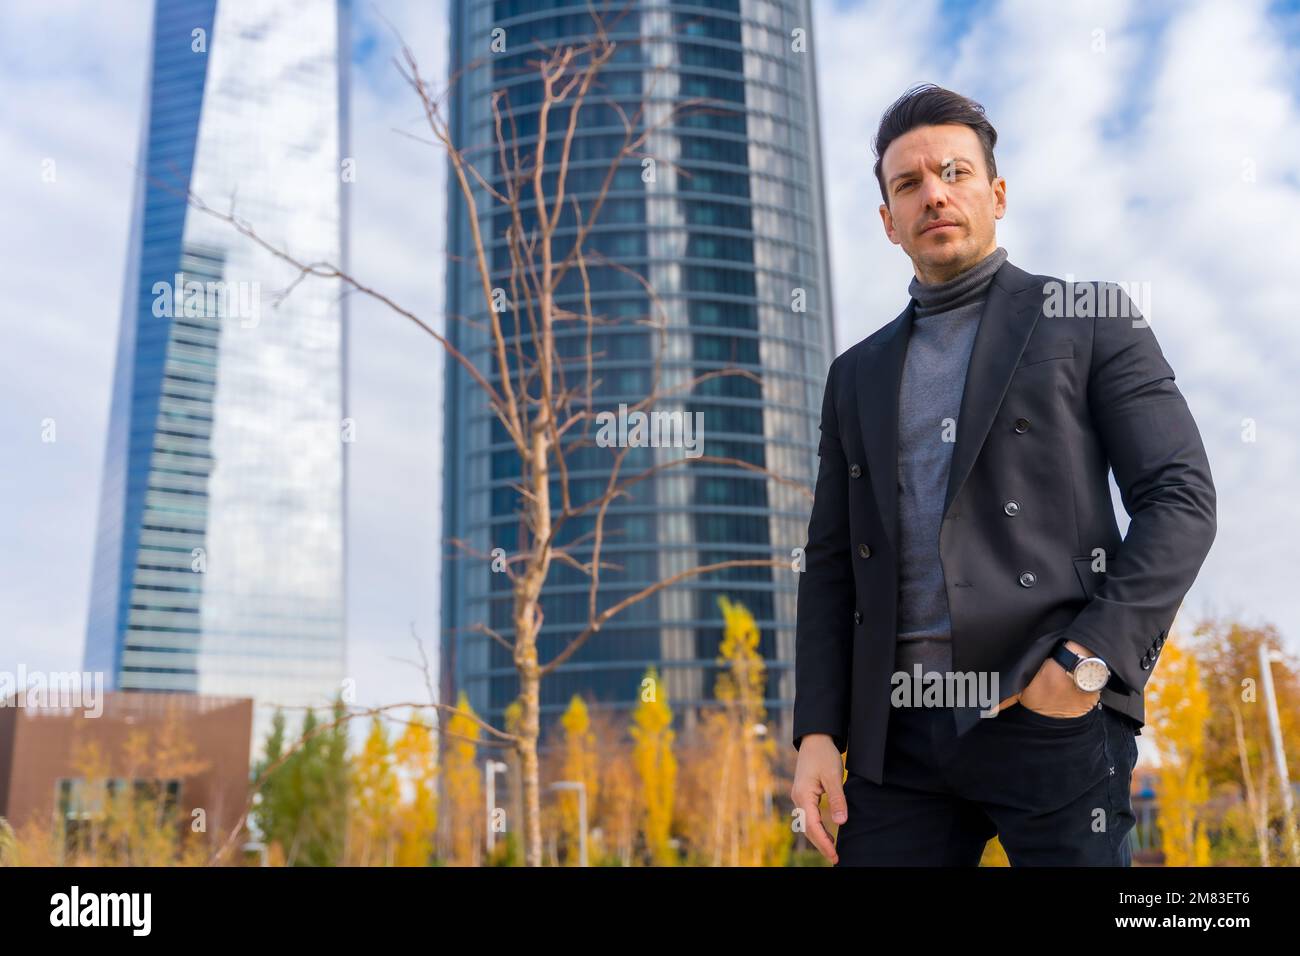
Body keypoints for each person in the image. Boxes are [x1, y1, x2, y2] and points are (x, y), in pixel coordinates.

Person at [789, 84, 1217, 866]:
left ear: (998, 192)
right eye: (908, 184)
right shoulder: (855, 375)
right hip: (897, 740)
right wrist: (818, 731)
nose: (934, 194)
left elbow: (1181, 498)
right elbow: (829, 563)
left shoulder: (1088, 316)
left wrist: (1084, 666)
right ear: (888, 221)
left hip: (1046, 708)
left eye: (954, 172)